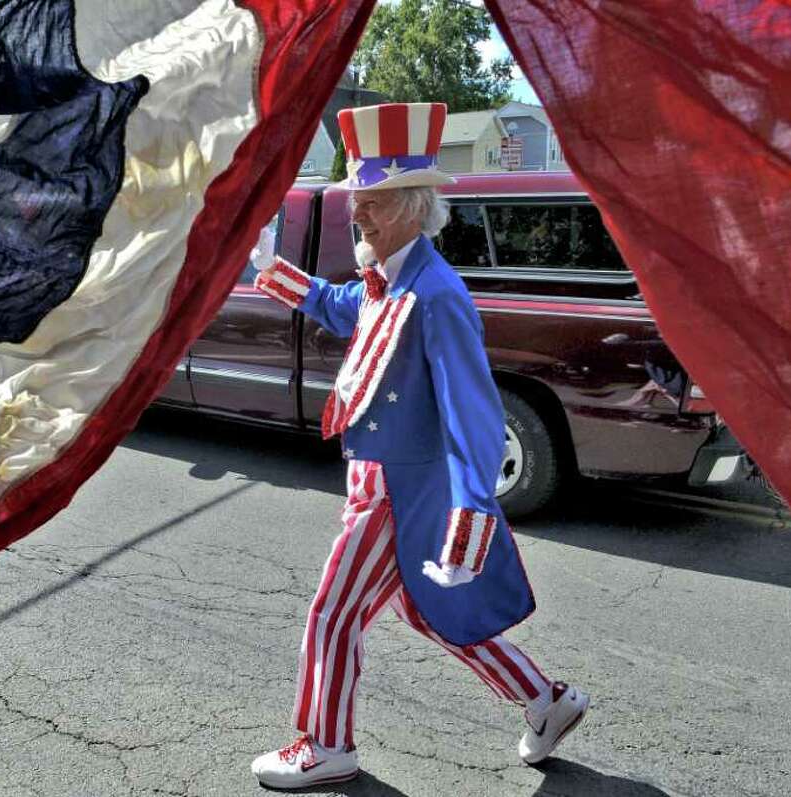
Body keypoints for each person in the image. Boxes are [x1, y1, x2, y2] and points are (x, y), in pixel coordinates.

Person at [248, 103, 589, 790]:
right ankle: (544, 699)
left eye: (371, 201)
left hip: (399, 492)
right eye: (357, 198)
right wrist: (273, 269)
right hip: (381, 480)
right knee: (426, 613)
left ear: (411, 206)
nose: (357, 213)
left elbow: (474, 418)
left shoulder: (436, 292)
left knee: (333, 613)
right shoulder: (390, 275)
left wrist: (469, 521)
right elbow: (341, 307)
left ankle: (326, 743)